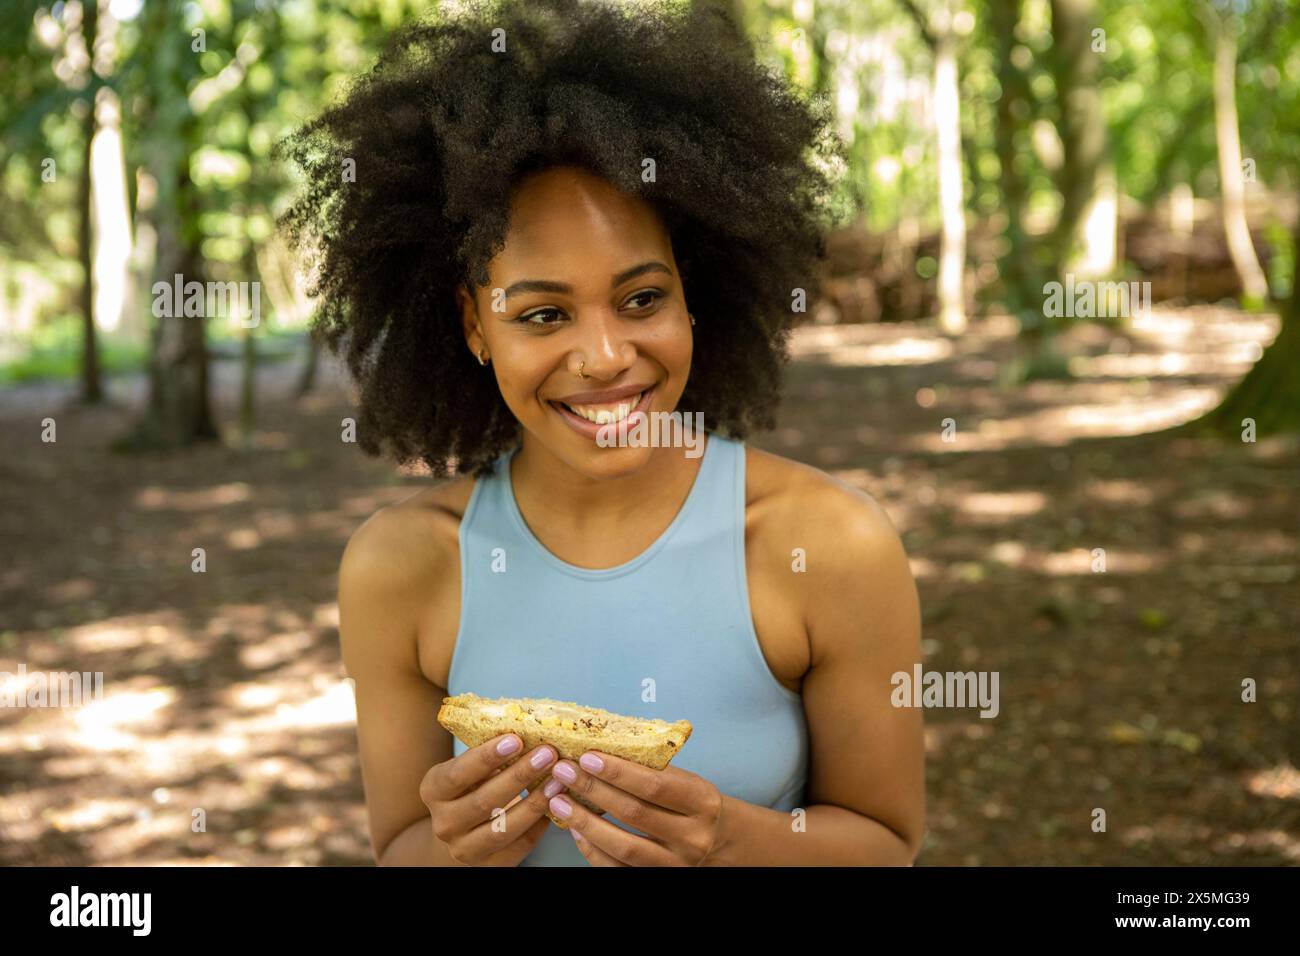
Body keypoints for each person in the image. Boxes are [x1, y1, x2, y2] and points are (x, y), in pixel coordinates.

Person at [279, 0, 924, 866]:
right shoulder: (399, 568)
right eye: (543, 314)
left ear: (693, 292)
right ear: (474, 326)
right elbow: (401, 848)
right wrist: (456, 848)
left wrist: (730, 841)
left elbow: (886, 845)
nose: (607, 355)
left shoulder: (829, 543)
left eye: (642, 299)